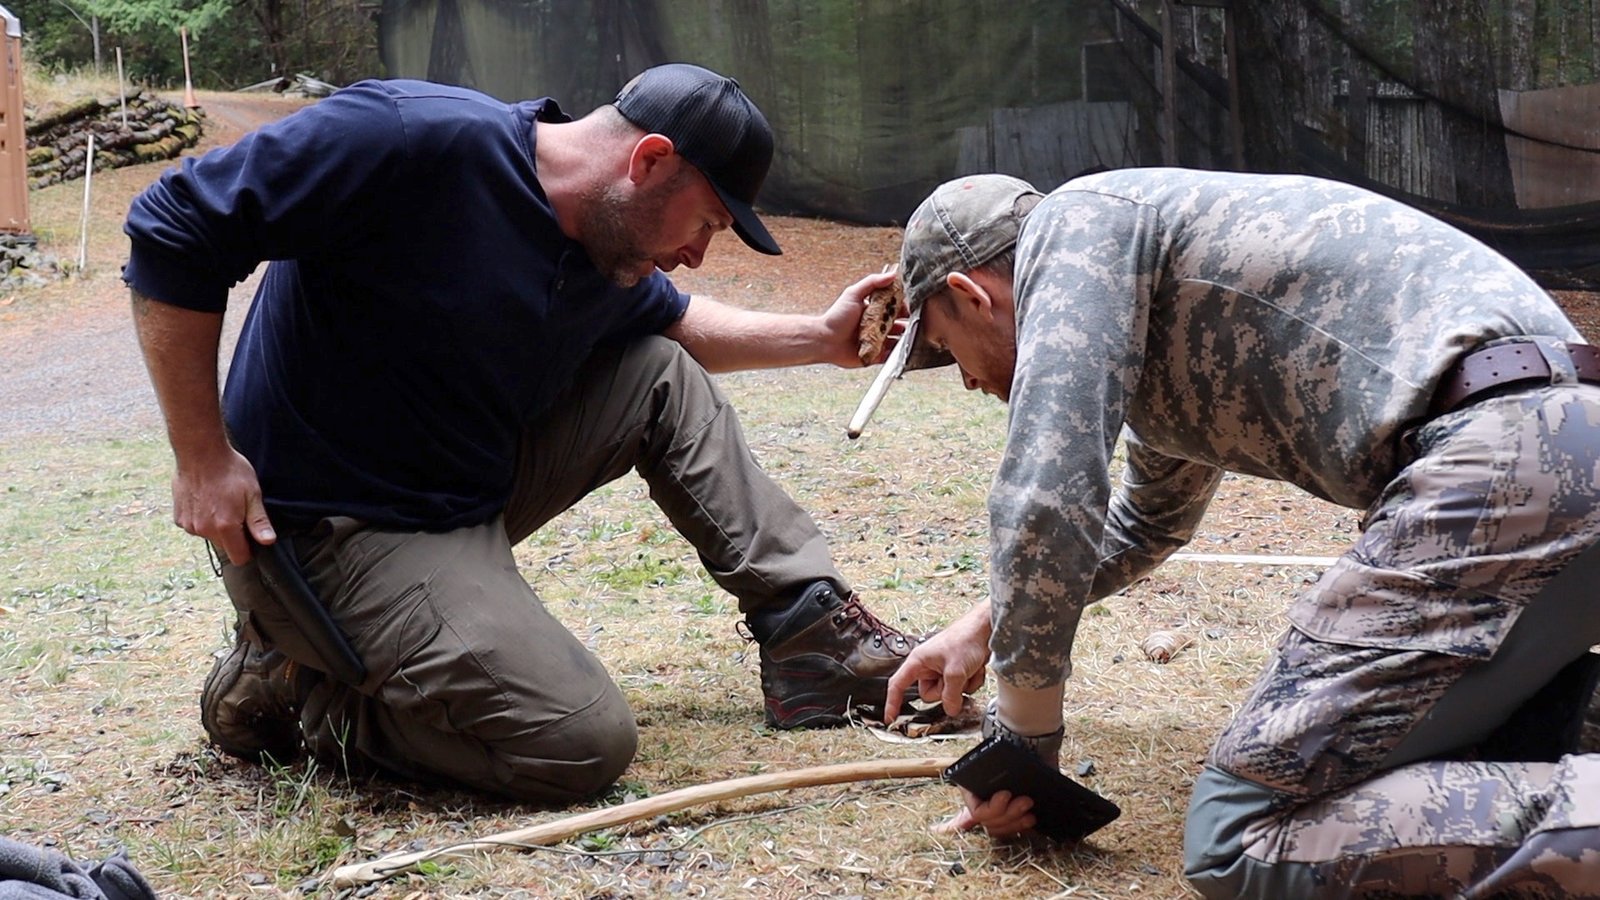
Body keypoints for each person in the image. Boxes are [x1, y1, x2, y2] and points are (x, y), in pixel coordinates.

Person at [123, 63, 922, 803]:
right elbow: (175, 223)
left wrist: (821, 338)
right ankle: (295, 691)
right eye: (707, 221)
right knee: (580, 745)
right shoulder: (410, 140)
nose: (697, 255)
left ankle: (810, 637)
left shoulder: (601, 244)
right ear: (647, 161)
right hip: (326, 534)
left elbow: (683, 326)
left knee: (658, 370)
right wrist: (202, 456)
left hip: (460, 500)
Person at [861, 169, 1600, 897]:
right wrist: (985, 624)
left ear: (968, 295)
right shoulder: (1151, 288)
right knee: (1483, 740)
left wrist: (1021, 749)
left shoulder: (1077, 224)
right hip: (1559, 448)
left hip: (1508, 460)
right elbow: (1144, 524)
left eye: (942, 347)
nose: (961, 380)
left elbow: (1048, 501)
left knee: (1237, 836)